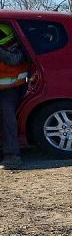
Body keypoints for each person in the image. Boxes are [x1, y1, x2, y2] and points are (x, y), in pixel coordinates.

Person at [0, 21, 32, 169]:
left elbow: (14, 60)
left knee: (6, 115)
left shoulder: (17, 47)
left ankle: (12, 154)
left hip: (10, 89)